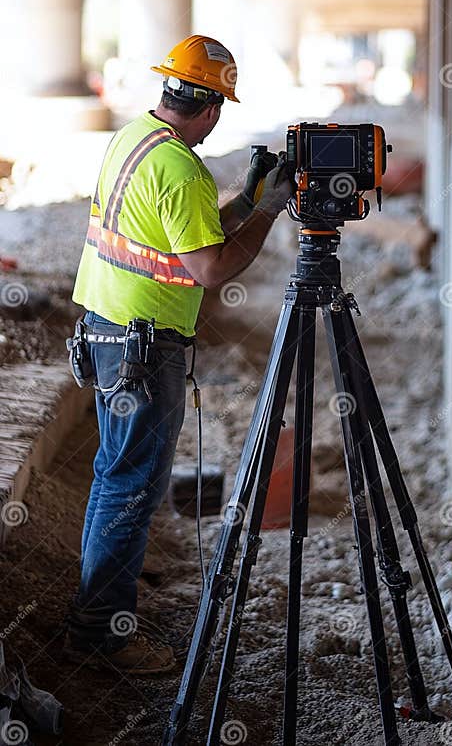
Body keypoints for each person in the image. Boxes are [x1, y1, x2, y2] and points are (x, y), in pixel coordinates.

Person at [65, 34, 292, 674]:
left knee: (116, 480)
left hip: (108, 333)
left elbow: (180, 233)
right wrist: (270, 214)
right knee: (132, 488)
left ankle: (92, 621)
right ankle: (103, 637)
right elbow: (210, 266)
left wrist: (248, 199)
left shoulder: (134, 138)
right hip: (144, 348)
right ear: (214, 107)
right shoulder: (184, 169)